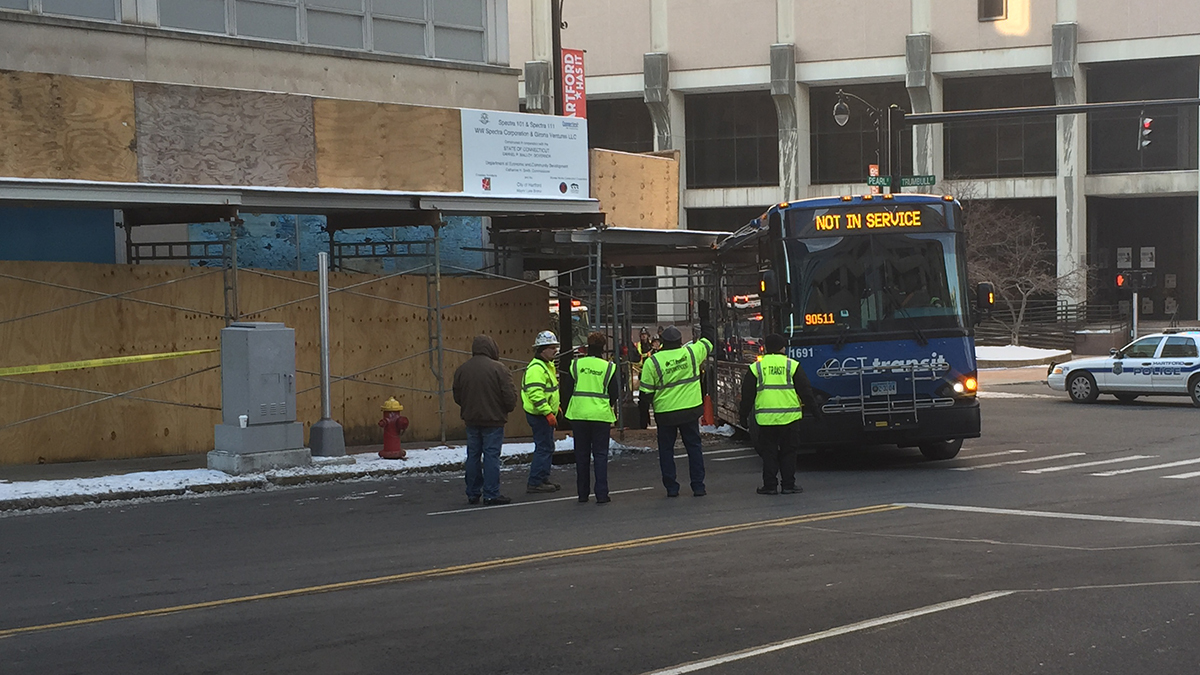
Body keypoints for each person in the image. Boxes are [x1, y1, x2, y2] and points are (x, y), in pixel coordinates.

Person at [641, 305, 716, 497]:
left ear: (662, 341)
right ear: (681, 341)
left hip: (665, 413)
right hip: (690, 410)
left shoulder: (653, 361)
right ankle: (698, 486)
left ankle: (672, 488)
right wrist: (705, 318)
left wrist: (644, 417)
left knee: (666, 451)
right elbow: (709, 340)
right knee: (694, 448)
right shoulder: (691, 353)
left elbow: (645, 393)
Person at [738, 333, 821, 495]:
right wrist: (816, 413)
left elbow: (747, 396)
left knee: (769, 453)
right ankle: (788, 485)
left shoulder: (756, 368)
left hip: (766, 420)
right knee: (789, 452)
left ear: (767, 348)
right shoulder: (792, 365)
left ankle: (769, 485)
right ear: (783, 347)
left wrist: (743, 416)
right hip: (790, 418)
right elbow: (806, 392)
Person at [452, 335, 518, 506]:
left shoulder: (462, 369)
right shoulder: (499, 369)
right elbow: (509, 396)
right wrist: (506, 409)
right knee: (491, 456)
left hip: (471, 419)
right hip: (494, 420)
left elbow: (457, 396)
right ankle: (491, 493)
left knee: (473, 456)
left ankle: (473, 493)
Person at [564, 332, 619, 504]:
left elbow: (566, 390)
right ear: (603, 347)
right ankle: (602, 494)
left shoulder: (575, 365)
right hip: (600, 415)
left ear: (587, 346)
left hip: (579, 414)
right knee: (600, 455)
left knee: (581, 455)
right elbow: (614, 393)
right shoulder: (608, 367)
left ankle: (582, 493)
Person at [522, 330, 562, 493]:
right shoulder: (537, 369)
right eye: (551, 347)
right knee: (544, 447)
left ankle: (542, 478)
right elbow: (535, 394)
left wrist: (554, 407)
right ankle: (536, 481)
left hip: (542, 414)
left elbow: (547, 391)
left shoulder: (545, 366)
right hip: (539, 415)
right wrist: (547, 412)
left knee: (546, 446)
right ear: (542, 349)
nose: (555, 350)